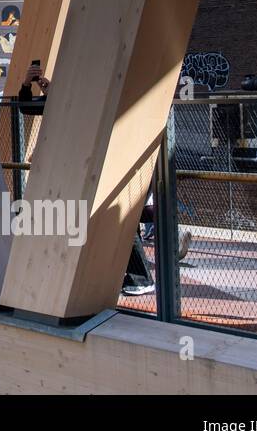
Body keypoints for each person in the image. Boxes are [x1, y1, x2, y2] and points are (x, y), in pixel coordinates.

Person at [17, 63, 156, 296]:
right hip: (86, 171)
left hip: (104, 168)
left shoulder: (89, 100)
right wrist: (26, 85)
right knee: (95, 220)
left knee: (116, 220)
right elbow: (26, 107)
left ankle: (139, 277)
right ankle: (126, 275)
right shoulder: (71, 100)